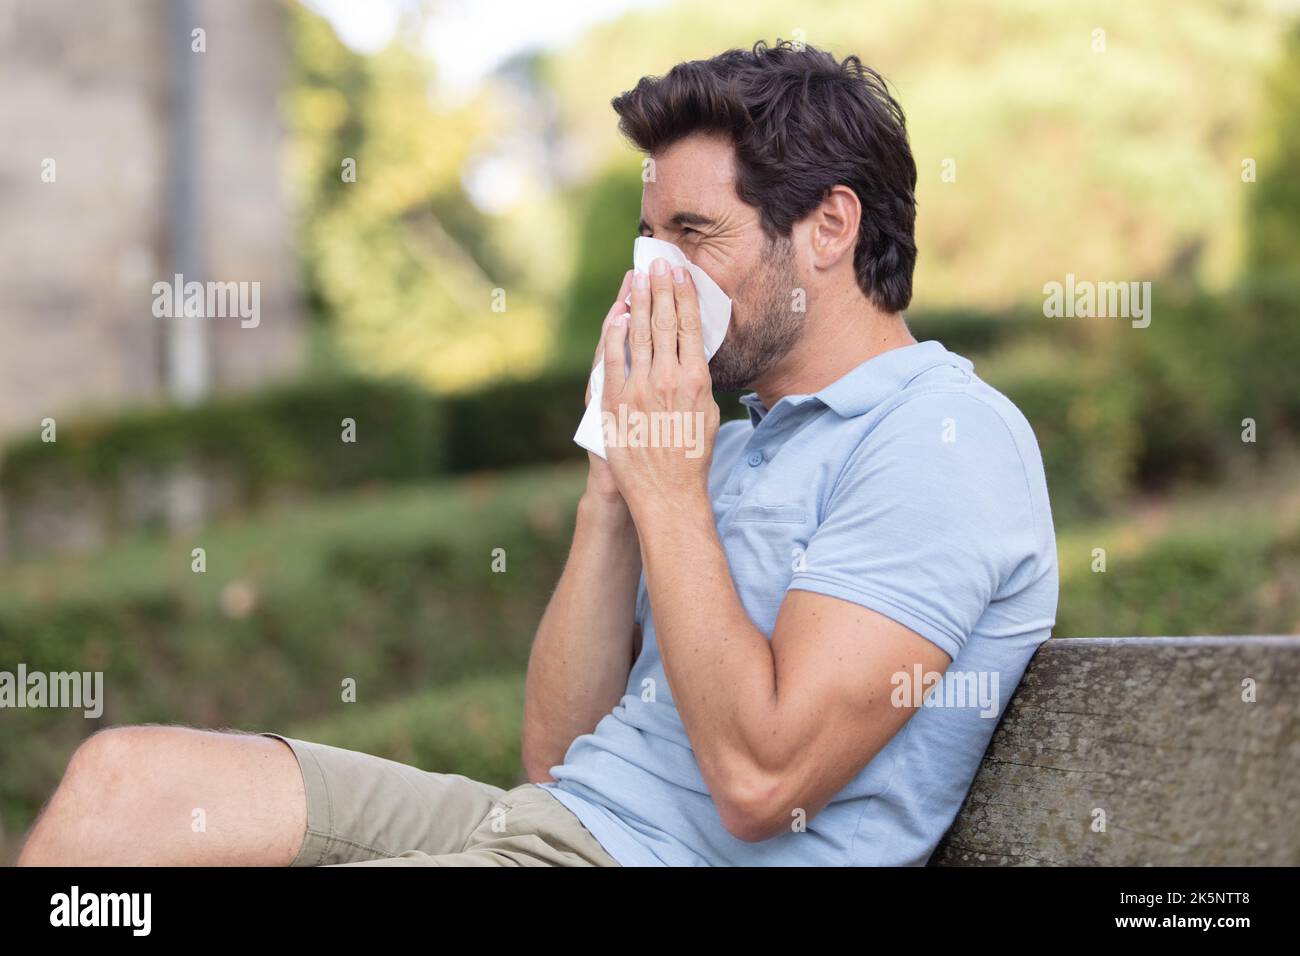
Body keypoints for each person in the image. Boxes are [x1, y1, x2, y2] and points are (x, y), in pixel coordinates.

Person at [19, 40, 1057, 868]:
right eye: (646, 239)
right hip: (551, 824)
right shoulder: (733, 442)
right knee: (128, 784)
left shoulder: (940, 442)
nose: (653, 274)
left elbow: (761, 783)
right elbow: (557, 760)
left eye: (693, 234)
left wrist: (668, 489)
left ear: (828, 226)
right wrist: (612, 490)